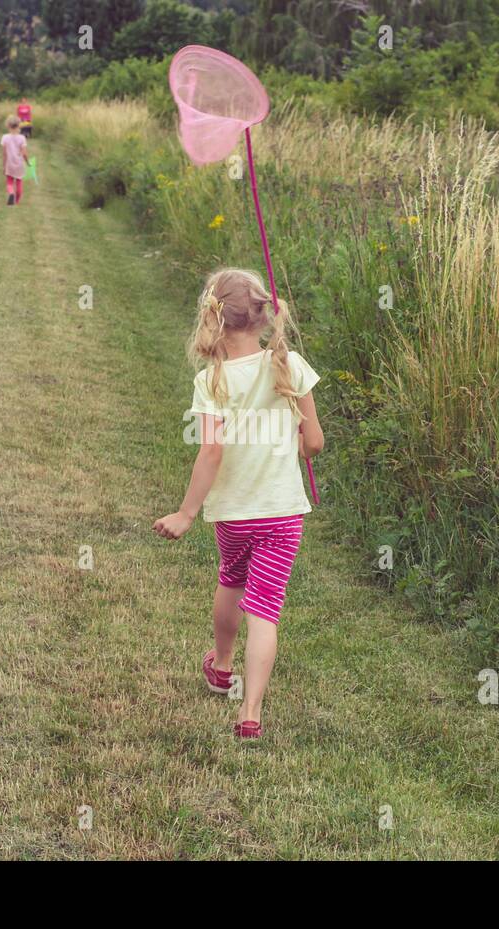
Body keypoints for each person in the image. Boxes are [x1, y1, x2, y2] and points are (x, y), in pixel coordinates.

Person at [153, 268, 324, 739]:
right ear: (263, 315)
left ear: (215, 319)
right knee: (265, 609)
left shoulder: (212, 381)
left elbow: (211, 452)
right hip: (283, 512)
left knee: (232, 579)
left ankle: (223, 665)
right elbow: (315, 443)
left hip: (234, 513)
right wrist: (298, 440)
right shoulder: (289, 364)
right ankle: (251, 712)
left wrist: (187, 513)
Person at [1, 115, 30, 206]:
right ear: (18, 125)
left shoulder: (5, 137)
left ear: (8, 126)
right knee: (19, 182)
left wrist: (4, 165)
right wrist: (27, 162)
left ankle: (11, 193)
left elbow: (4, 153)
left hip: (9, 163)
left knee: (9, 182)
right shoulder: (22, 138)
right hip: (19, 164)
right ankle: (16, 201)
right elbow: (24, 153)